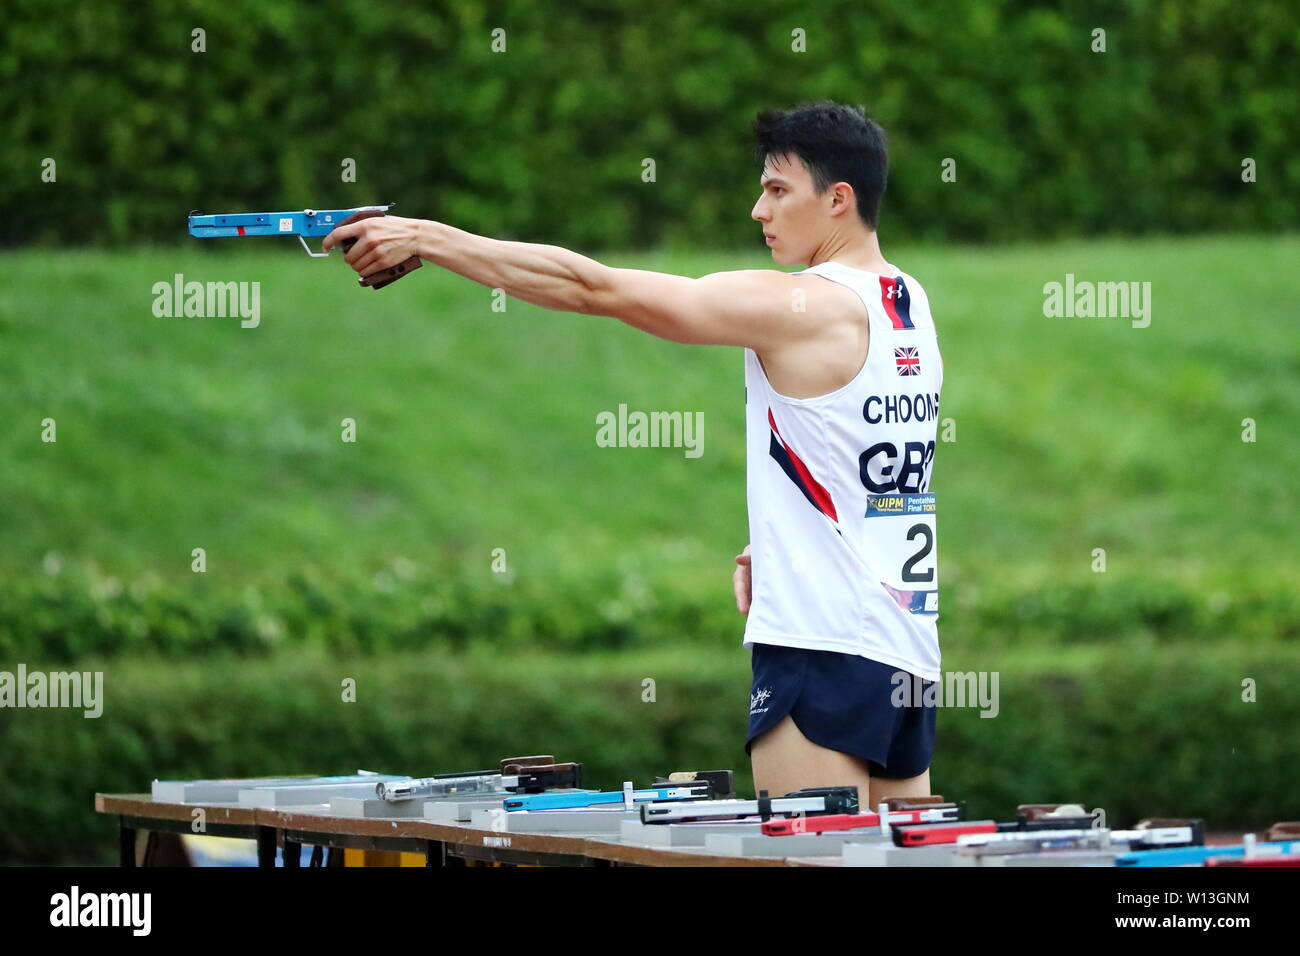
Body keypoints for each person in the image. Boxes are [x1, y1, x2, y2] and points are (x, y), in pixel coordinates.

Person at [324, 100, 942, 810]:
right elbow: (882, 464)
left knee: (813, 864)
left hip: (822, 647)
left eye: (778, 190)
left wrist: (424, 236)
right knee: (901, 858)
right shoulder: (910, 303)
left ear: (838, 200)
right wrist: (787, 538)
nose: (758, 210)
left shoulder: (806, 306)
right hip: (907, 656)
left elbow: (594, 287)